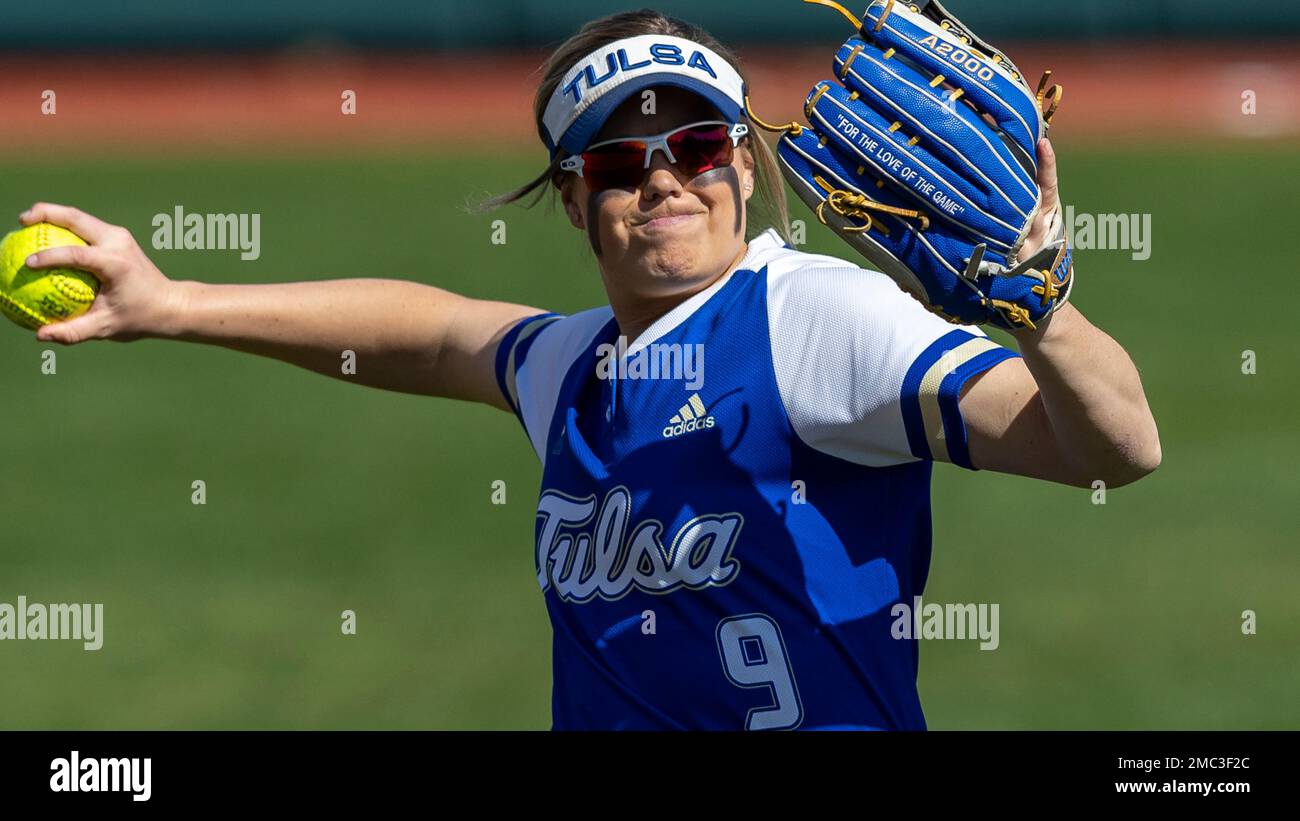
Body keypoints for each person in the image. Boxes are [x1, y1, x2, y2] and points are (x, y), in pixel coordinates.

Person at [20, 10, 1159, 730]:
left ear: (746, 171)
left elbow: (1113, 448)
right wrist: (174, 303)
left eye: (698, 146)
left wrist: (1042, 313)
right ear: (573, 199)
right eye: (619, 160)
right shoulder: (575, 367)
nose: (664, 180)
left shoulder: (815, 317)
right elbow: (437, 330)